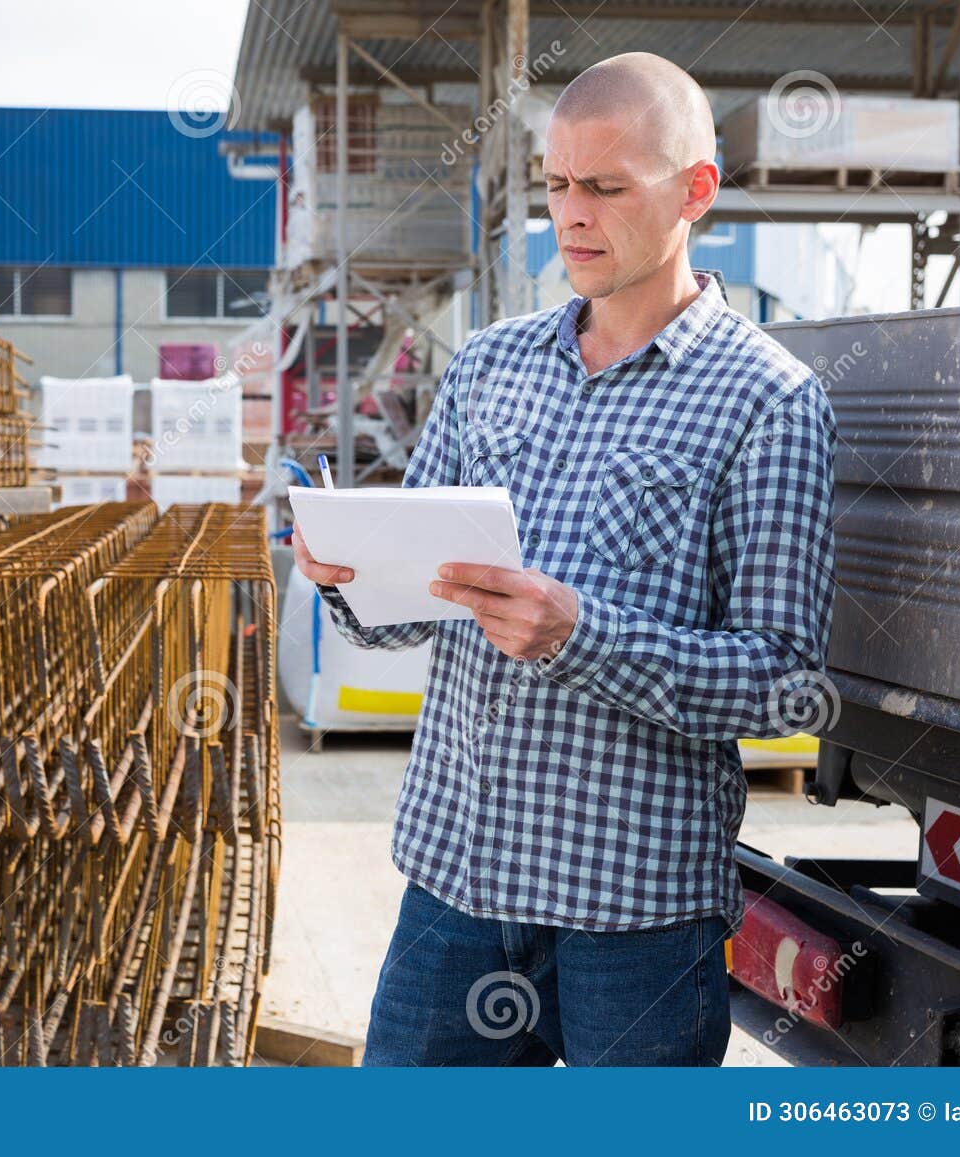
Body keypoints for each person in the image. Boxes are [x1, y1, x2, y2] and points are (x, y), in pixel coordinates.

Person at [294, 52, 837, 1066]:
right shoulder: (492, 365)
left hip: (633, 915)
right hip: (457, 886)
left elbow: (783, 683)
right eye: (554, 185)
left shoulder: (767, 402)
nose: (569, 216)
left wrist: (580, 635)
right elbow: (418, 608)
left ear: (694, 192)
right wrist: (351, 574)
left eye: (604, 187)